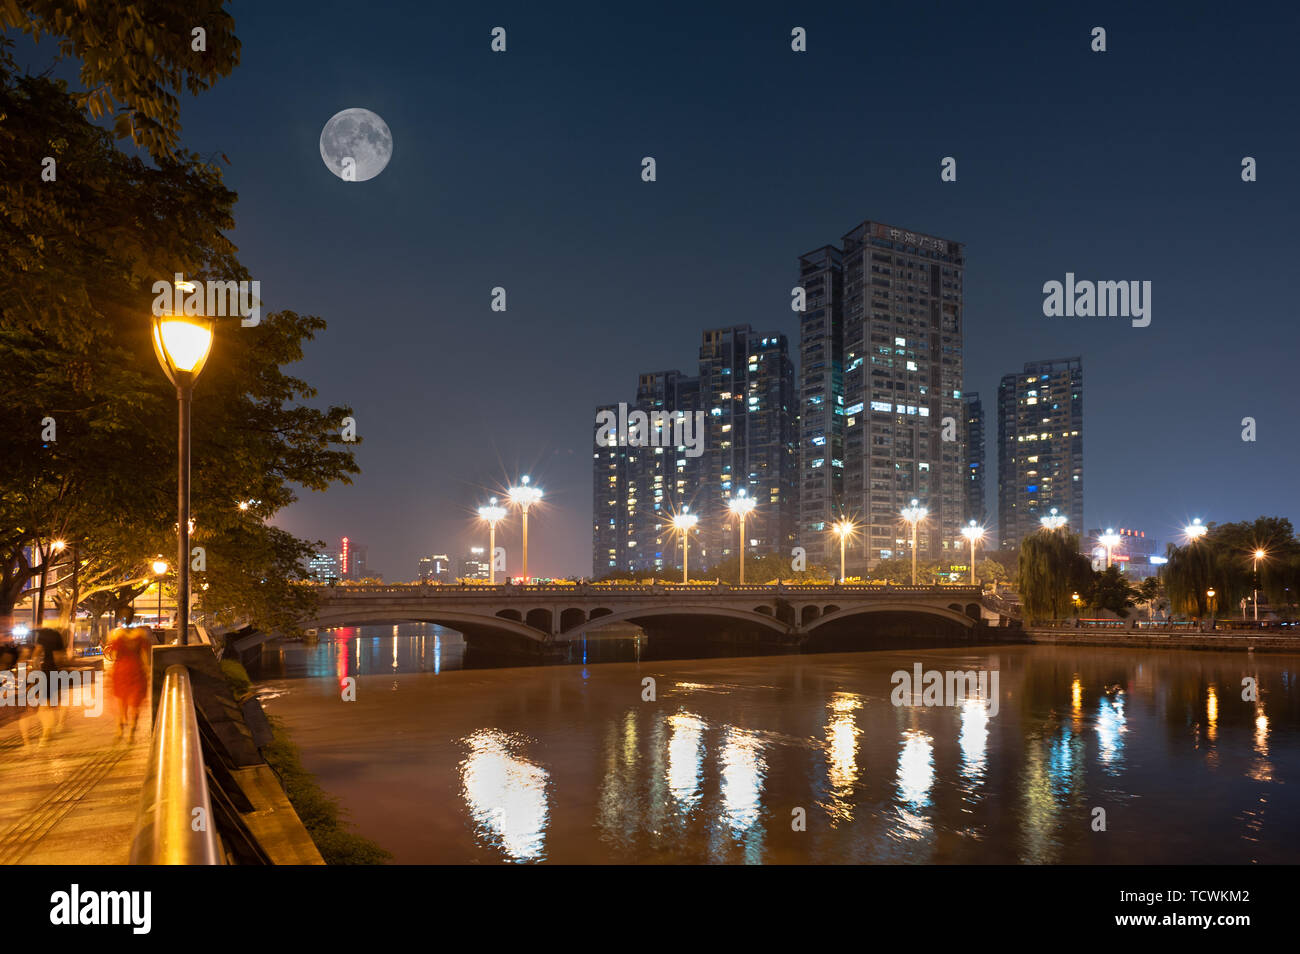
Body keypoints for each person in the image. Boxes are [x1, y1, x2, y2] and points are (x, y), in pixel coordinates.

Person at [105, 626, 151, 742]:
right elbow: (144, 656)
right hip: (137, 669)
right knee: (136, 704)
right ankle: (131, 733)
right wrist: (147, 670)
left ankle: (120, 729)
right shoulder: (141, 636)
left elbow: (114, 655)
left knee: (121, 700)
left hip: (121, 670)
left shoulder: (118, 636)